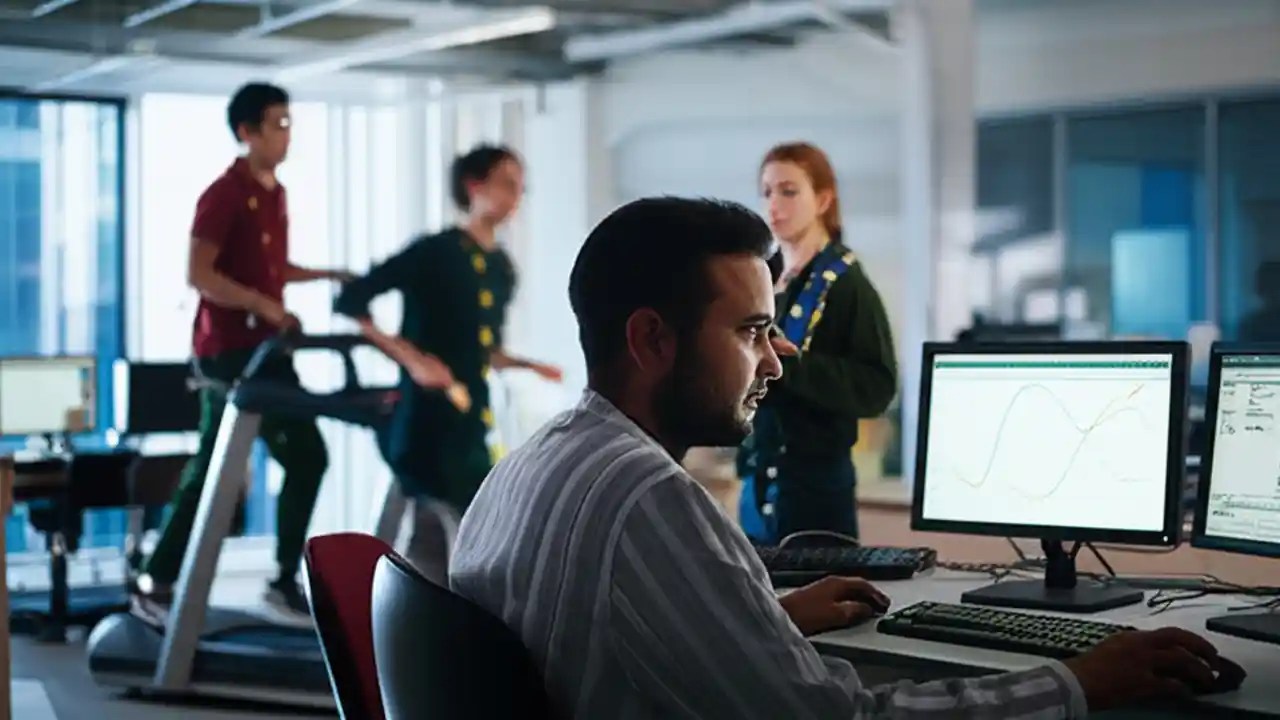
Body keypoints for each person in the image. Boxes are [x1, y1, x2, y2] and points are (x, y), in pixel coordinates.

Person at [449, 196, 1243, 719]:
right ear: (652, 339)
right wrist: (1079, 682)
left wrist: (764, 619)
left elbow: (599, 633)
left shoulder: (534, 463)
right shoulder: (650, 496)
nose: (777, 361)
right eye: (753, 332)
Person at [135, 82, 352, 617]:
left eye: (289, 124)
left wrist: (327, 274)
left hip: (267, 350)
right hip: (230, 354)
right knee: (221, 467)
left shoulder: (275, 193)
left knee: (304, 458)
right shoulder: (223, 194)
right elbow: (200, 273)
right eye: (277, 124)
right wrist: (266, 304)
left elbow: (271, 269)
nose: (287, 134)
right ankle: (159, 578)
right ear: (246, 132)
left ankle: (277, 577)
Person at [334, 143, 561, 582]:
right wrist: (414, 360)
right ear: (474, 186)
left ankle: (414, 622)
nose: (515, 197)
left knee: (434, 535)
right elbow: (351, 301)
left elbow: (482, 348)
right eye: (506, 185)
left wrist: (529, 366)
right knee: (467, 518)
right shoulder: (435, 251)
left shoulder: (501, 269)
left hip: (471, 416)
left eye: (520, 188)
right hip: (426, 418)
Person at [739, 141, 897, 543]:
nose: (775, 204)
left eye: (789, 191)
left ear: (824, 199)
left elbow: (876, 385)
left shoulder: (847, 284)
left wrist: (787, 367)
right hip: (759, 483)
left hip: (816, 491)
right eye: (767, 192)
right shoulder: (766, 278)